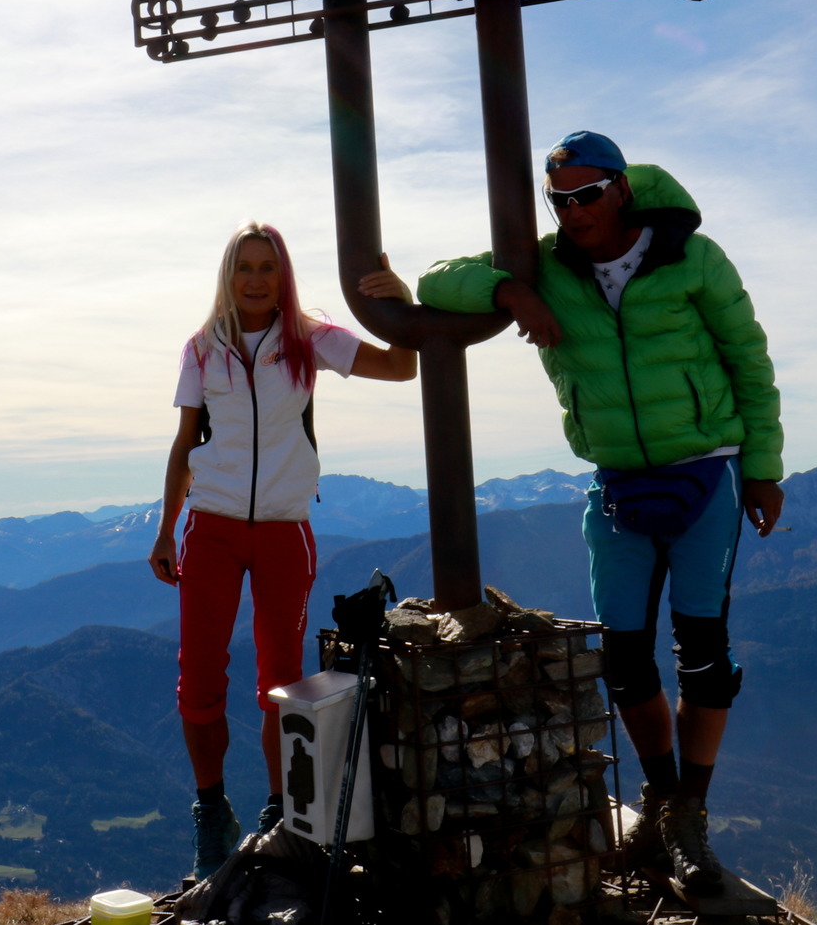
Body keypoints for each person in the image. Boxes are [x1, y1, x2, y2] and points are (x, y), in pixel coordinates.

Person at [417, 131, 784, 892]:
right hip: (617, 479)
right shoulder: (546, 269)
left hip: (707, 470)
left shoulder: (693, 257)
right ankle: (659, 798)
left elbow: (749, 356)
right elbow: (432, 280)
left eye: (587, 194)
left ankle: (688, 815)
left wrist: (765, 469)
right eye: (559, 199)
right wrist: (509, 291)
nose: (573, 211)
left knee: (704, 651)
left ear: (621, 188)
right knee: (622, 657)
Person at [151, 221, 416, 882]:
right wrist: (165, 527)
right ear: (228, 274)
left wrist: (403, 302)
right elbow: (185, 444)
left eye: (268, 266)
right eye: (245, 266)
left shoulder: (309, 341)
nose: (256, 278)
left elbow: (402, 364)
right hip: (208, 527)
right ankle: (212, 813)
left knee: (281, 678)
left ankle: (280, 812)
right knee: (200, 680)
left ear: (284, 273)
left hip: (283, 530)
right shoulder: (201, 348)